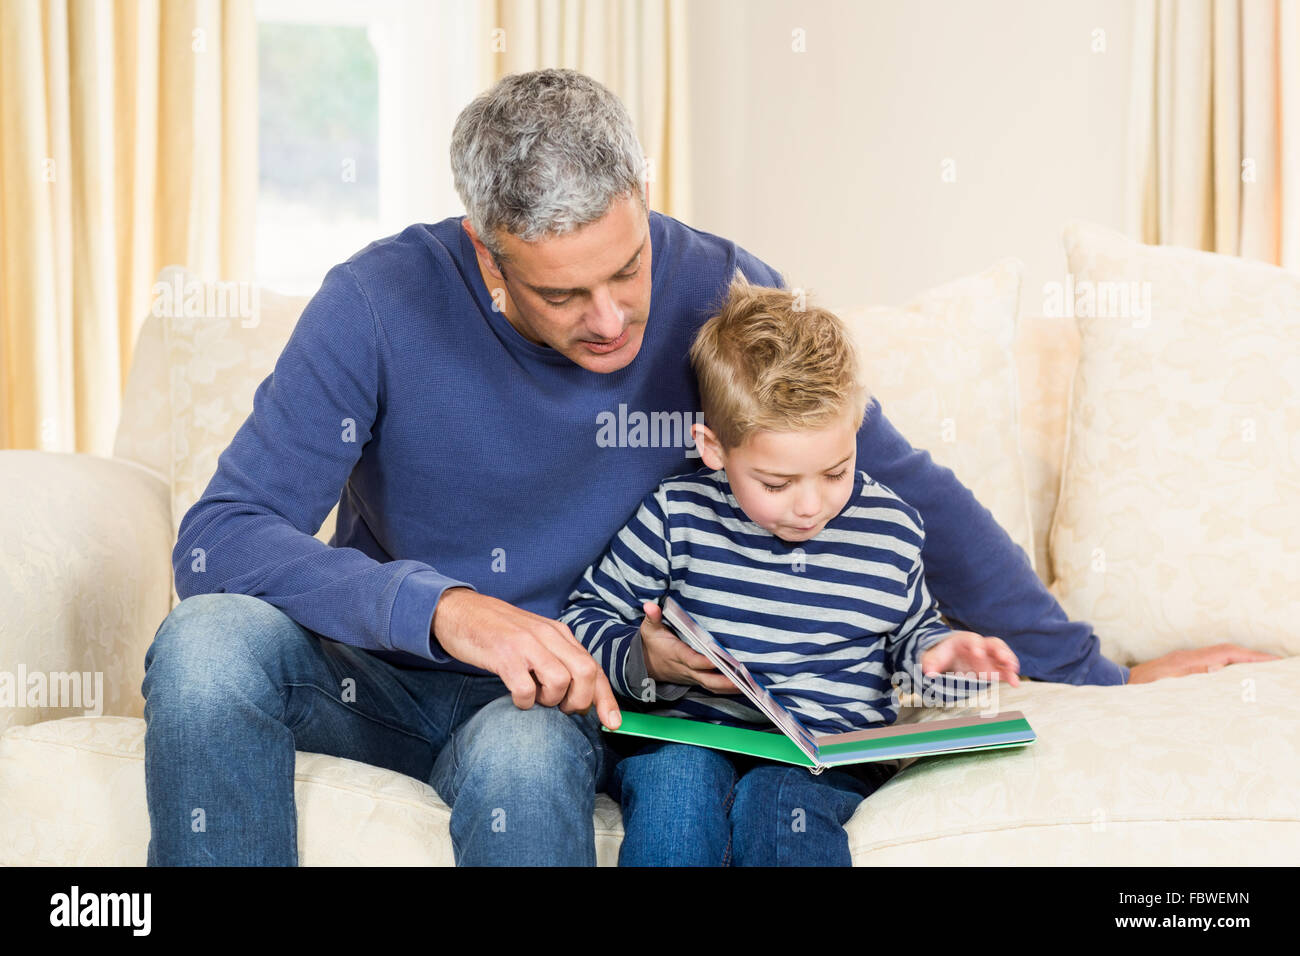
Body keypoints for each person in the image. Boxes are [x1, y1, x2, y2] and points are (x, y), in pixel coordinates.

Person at [140, 67, 1275, 867]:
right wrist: (446, 609)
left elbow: (891, 487)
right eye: (561, 293)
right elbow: (218, 537)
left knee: (525, 761)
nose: (612, 318)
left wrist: (1092, 673)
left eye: (626, 266)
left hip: (574, 691)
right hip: (383, 668)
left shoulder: (716, 285)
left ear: (644, 199)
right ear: (486, 256)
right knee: (201, 645)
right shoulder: (378, 302)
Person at [560, 276, 1023, 865]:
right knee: (677, 784)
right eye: (776, 483)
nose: (810, 506)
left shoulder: (891, 528)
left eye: (836, 472)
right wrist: (643, 659)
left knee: (779, 800)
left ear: (856, 430)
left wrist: (947, 657)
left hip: (823, 755)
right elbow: (583, 618)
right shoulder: (678, 514)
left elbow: (912, 642)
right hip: (693, 737)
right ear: (713, 449)